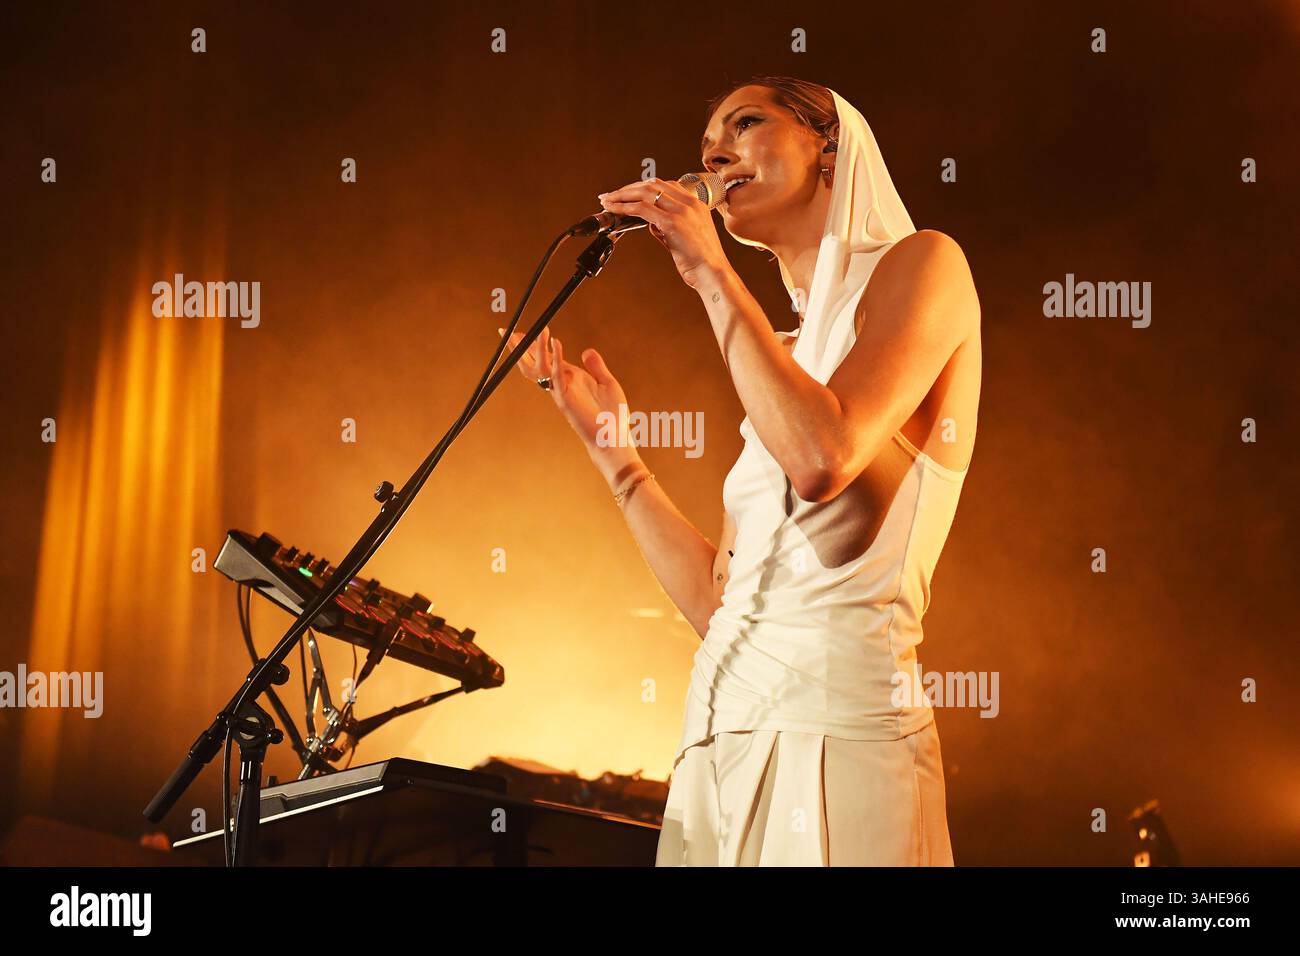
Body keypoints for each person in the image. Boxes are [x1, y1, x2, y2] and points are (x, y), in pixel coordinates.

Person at [499, 76, 980, 865]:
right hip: (717, 742)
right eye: (703, 146)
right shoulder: (781, 356)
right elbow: (721, 603)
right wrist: (615, 455)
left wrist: (709, 275)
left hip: (839, 736)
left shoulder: (925, 265)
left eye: (746, 122)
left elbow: (825, 458)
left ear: (830, 146)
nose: (714, 153)